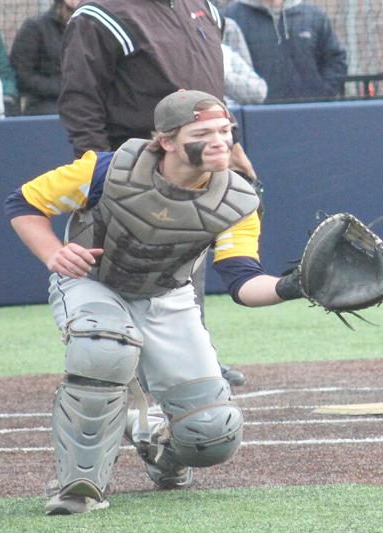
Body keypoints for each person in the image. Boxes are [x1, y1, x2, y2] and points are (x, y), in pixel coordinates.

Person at [8, 91, 320, 515]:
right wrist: (52, 253)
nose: (219, 141)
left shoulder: (238, 199)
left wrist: (295, 286)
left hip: (167, 294)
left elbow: (242, 281)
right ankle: (79, 487)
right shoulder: (107, 167)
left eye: (226, 132)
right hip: (91, 281)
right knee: (102, 345)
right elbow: (25, 202)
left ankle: (159, 448)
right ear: (167, 141)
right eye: (203, 133)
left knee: (212, 433)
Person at [60, 0, 248, 387]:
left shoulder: (205, 8)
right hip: (134, 168)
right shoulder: (100, 14)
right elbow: (80, 100)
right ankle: (113, 365)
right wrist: (99, 171)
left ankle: (193, 362)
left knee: (185, 264)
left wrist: (231, 147)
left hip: (192, 162)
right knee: (125, 272)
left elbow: (208, 97)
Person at [223, 0, 346, 103]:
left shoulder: (313, 15)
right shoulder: (231, 17)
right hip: (254, 115)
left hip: (311, 111)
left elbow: (335, 59)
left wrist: (322, 94)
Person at [9, 0, 81, 116]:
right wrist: (63, 88)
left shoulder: (95, 27)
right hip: (46, 103)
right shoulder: (35, 27)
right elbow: (22, 75)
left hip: (88, 101)